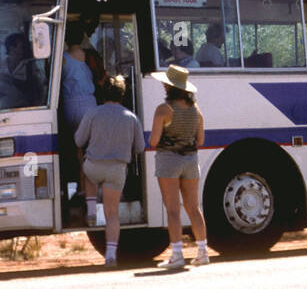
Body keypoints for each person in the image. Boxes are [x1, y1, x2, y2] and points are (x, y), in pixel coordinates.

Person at [74, 75, 144, 268]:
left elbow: (79, 140)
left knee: (87, 172)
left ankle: (90, 210)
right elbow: (139, 148)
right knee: (112, 214)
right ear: (123, 94)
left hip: (94, 166)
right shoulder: (131, 117)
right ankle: (111, 255)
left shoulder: (93, 113)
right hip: (117, 170)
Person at [149, 64, 208, 268]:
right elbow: (200, 140)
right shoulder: (196, 111)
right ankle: (202, 251)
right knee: (193, 207)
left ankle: (177, 254)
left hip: (168, 161)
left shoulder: (163, 110)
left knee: (173, 210)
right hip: (191, 161)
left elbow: (154, 141)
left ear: (169, 87)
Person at [61, 23, 98, 200]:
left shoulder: (62, 58)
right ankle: (92, 188)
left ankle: (82, 186)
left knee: (76, 147)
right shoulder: (90, 56)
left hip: (70, 103)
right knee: (91, 147)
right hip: (89, 102)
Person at [0, 32, 43, 108]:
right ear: (11, 48)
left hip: (26, 109)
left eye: (24, 47)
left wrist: (11, 80)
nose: (23, 50)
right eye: (21, 47)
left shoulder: (30, 67)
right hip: (2, 110)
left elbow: (37, 90)